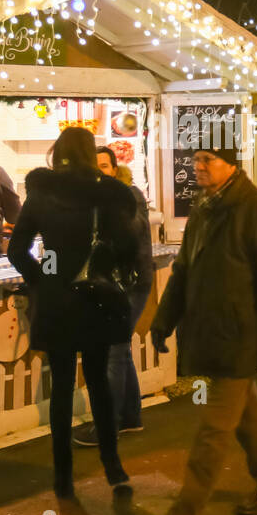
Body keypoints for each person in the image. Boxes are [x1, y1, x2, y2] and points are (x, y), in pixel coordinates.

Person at [150, 141, 257, 515]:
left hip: (239, 335)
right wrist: (164, 319)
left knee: (213, 432)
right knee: (245, 414)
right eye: (195, 159)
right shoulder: (205, 207)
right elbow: (183, 270)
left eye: (207, 160)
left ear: (231, 165)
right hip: (214, 330)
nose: (197, 166)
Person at [6, 128, 141, 498]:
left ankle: (62, 477)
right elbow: (127, 247)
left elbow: (18, 250)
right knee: (98, 382)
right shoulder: (108, 194)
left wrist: (43, 280)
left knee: (61, 387)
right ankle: (113, 469)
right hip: (95, 297)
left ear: (58, 152)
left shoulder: (41, 194)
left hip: (55, 300)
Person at [71, 146, 156, 448]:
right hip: (112, 284)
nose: (98, 172)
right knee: (120, 350)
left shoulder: (127, 195)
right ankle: (130, 418)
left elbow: (131, 232)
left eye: (104, 166)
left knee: (113, 352)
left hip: (130, 283)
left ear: (114, 169)